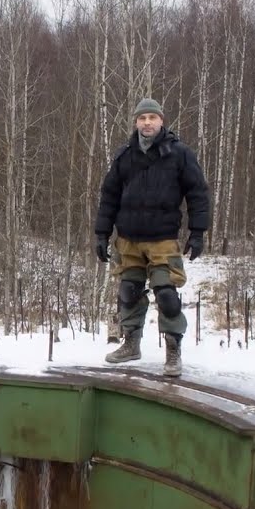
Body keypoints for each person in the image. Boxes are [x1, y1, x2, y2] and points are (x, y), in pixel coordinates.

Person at [94, 98, 211, 377]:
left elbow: (198, 194)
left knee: (167, 295)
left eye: (152, 118)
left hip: (162, 238)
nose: (147, 123)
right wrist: (102, 233)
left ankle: (173, 351)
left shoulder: (179, 153)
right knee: (128, 293)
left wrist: (197, 233)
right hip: (128, 239)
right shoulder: (125, 155)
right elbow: (109, 196)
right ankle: (131, 344)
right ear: (136, 122)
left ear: (161, 121)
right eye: (142, 118)